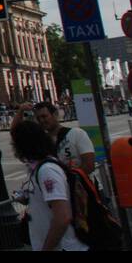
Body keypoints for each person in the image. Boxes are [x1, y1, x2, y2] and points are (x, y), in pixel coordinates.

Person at [11, 120, 88, 252]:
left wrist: (47, 248)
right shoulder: (41, 167)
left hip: (63, 246)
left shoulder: (47, 170)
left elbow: (62, 217)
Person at [14, 102, 96, 176]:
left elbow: (89, 165)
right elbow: (15, 132)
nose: (42, 120)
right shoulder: (41, 141)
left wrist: (69, 179)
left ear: (55, 114)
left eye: (44, 116)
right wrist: (21, 110)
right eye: (38, 118)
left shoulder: (77, 134)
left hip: (83, 187)